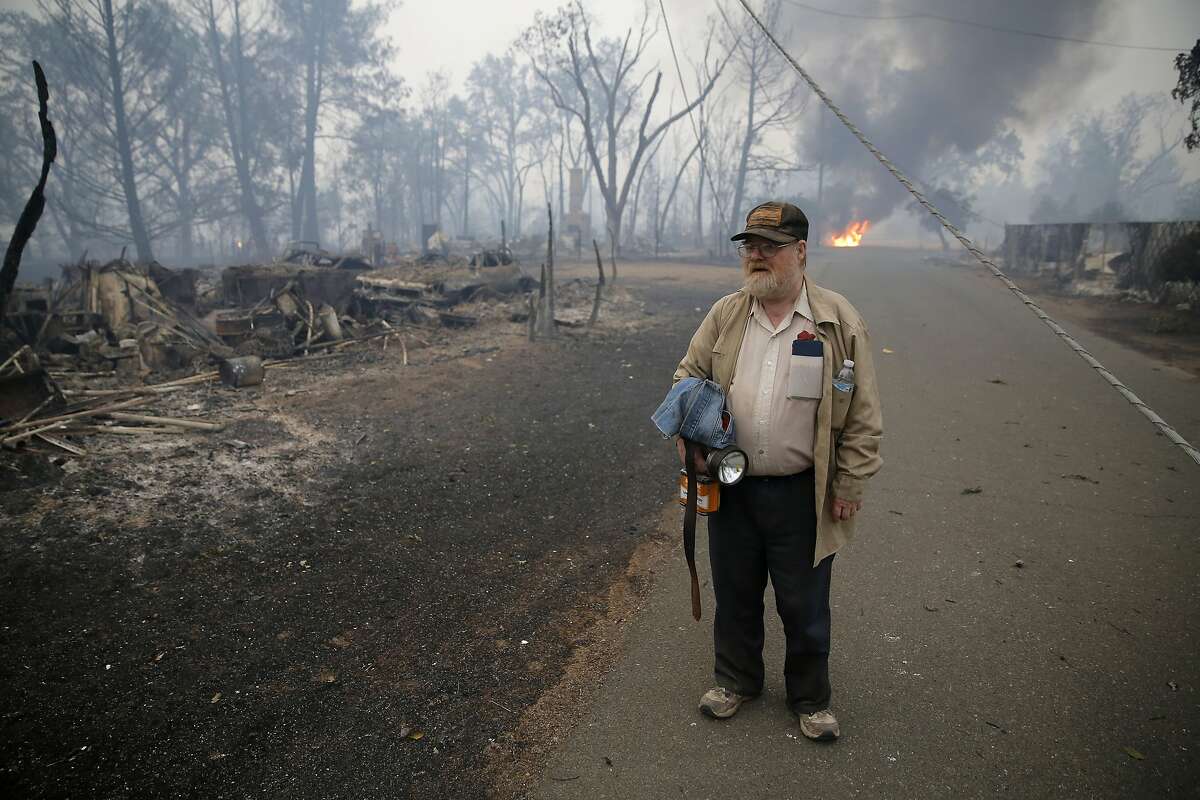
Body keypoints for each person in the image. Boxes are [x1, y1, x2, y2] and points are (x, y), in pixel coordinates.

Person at [671, 201, 883, 741]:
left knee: (804, 604)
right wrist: (691, 430)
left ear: (801, 251)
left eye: (770, 246)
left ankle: (810, 699)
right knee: (735, 594)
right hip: (732, 487)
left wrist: (849, 483)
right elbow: (688, 376)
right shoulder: (726, 315)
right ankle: (735, 681)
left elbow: (863, 414)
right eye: (750, 246)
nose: (757, 256)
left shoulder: (837, 321)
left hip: (802, 493)